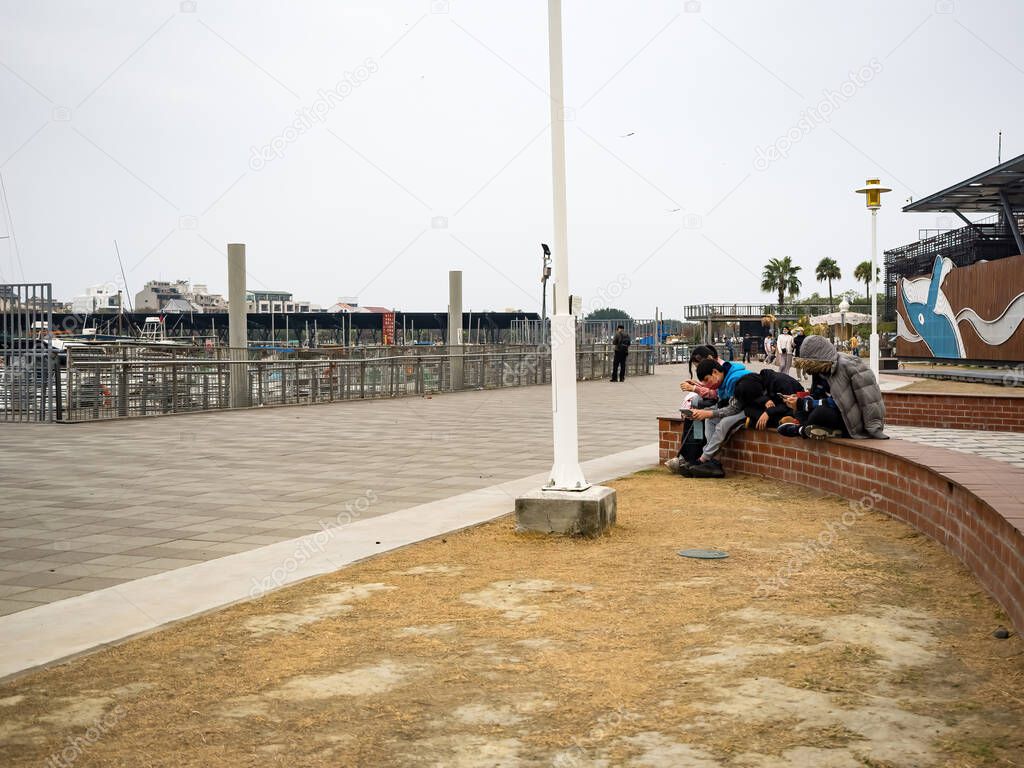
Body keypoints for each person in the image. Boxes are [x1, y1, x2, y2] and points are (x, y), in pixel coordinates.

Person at [777, 334, 888, 440]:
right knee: (800, 410)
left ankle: (800, 429)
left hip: (851, 419)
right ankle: (815, 429)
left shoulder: (848, 366)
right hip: (835, 412)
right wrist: (802, 401)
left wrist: (874, 428)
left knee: (819, 413)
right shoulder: (819, 370)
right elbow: (818, 394)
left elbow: (865, 401)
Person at [676, 357, 750, 478]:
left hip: (751, 410)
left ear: (715, 372)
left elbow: (734, 409)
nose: (708, 384)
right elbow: (721, 405)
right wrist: (702, 412)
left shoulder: (734, 378)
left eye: (707, 380)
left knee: (723, 424)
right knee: (711, 421)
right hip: (740, 409)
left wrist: (707, 413)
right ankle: (714, 462)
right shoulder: (722, 380)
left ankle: (703, 460)